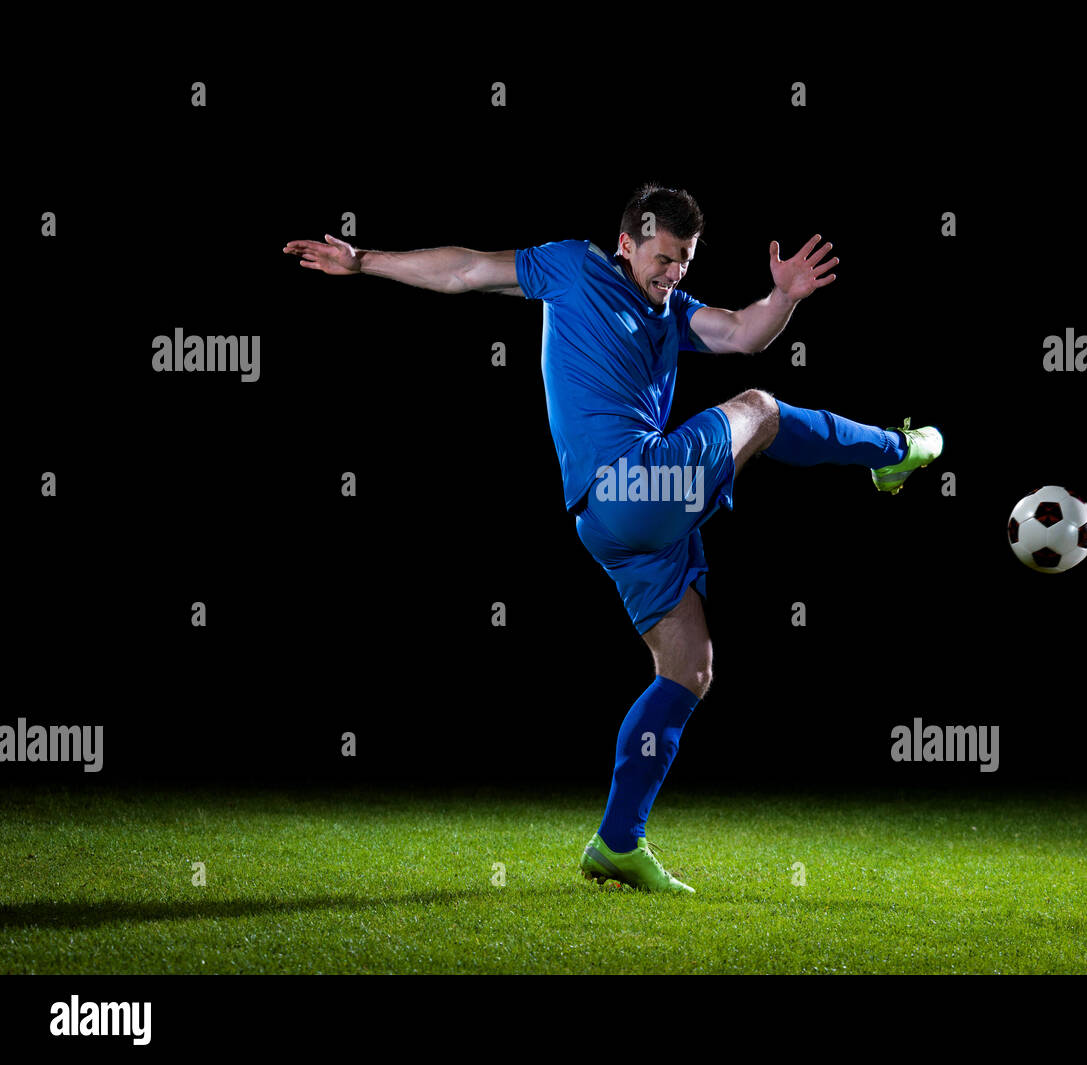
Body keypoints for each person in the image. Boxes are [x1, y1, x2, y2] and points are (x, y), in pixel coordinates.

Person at [283, 184, 942, 894]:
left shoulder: (672, 311)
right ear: (628, 243)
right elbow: (466, 269)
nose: (674, 273)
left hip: (613, 522)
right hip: (632, 487)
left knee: (688, 667)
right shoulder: (573, 268)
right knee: (759, 406)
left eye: (685, 260)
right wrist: (364, 262)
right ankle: (893, 451)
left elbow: (743, 333)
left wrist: (783, 298)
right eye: (664, 258)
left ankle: (618, 843)